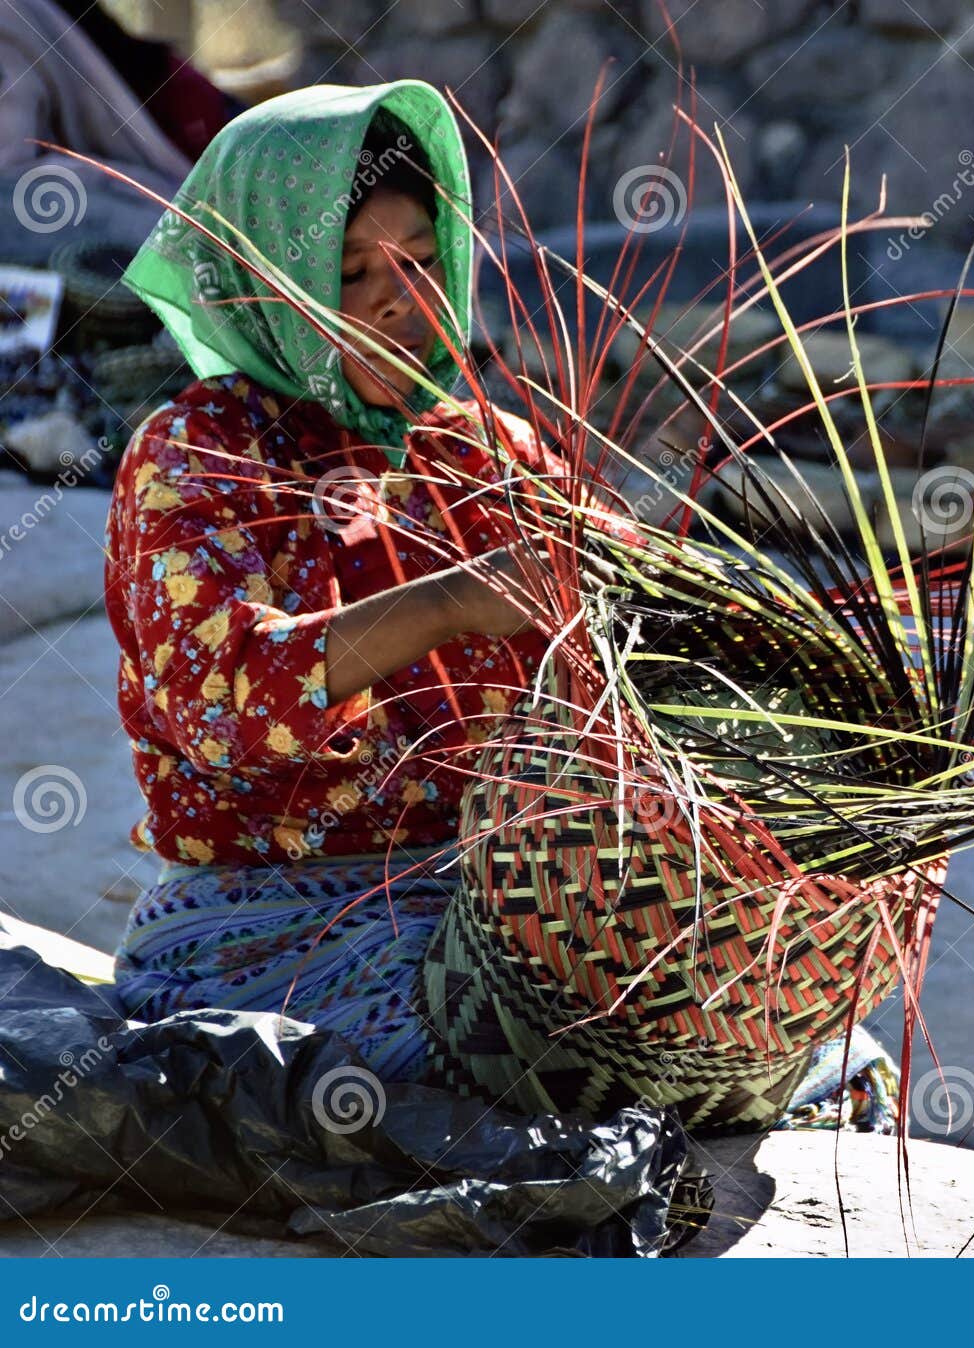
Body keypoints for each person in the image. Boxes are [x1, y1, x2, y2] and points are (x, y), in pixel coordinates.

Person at [105, 80, 896, 1125]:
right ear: (259, 289)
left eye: (422, 266)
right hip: (262, 922)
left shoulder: (482, 448)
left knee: (784, 1027)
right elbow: (221, 704)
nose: (402, 303)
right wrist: (447, 606)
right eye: (349, 276)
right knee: (533, 1059)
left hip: (495, 895)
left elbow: (634, 618)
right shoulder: (198, 458)